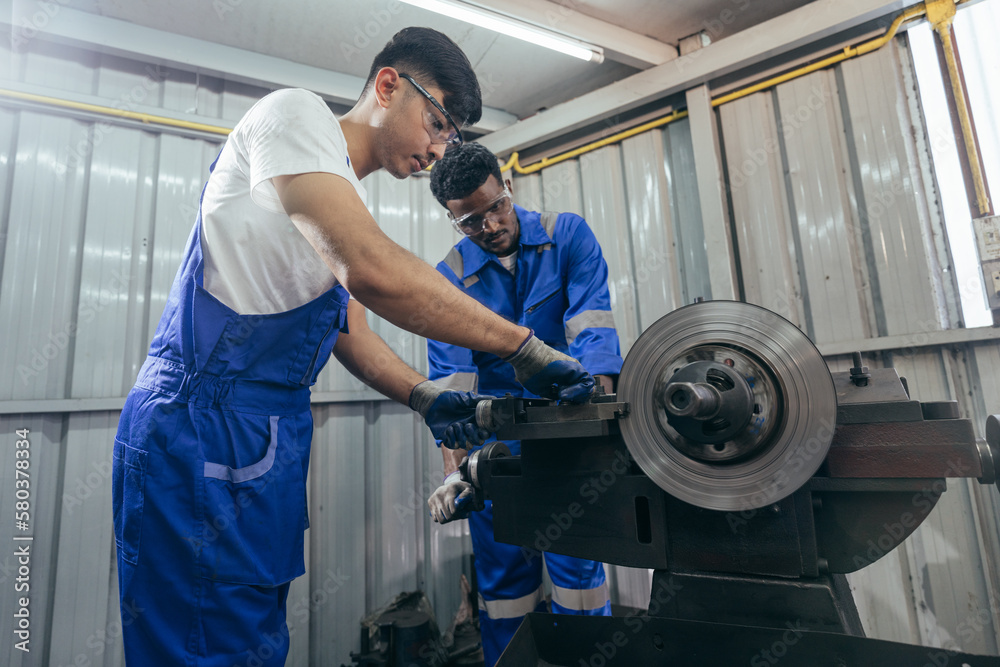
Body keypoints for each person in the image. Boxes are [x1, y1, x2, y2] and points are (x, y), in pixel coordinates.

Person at [112, 28, 595, 666]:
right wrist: (525, 349)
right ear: (389, 85)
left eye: (452, 134)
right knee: (204, 646)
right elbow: (370, 268)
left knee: (252, 640)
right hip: (198, 427)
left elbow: (351, 335)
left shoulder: (342, 194)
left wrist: (424, 398)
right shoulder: (294, 116)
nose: (440, 147)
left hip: (263, 439)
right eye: (439, 121)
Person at [424, 142, 621, 666]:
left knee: (578, 571)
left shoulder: (567, 236)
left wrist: (596, 424)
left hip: (571, 433)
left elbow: (593, 329)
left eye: (496, 207)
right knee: (505, 580)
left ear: (507, 187)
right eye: (469, 221)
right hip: (498, 449)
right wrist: (457, 472)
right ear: (452, 219)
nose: (489, 225)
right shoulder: (448, 278)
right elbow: (452, 388)